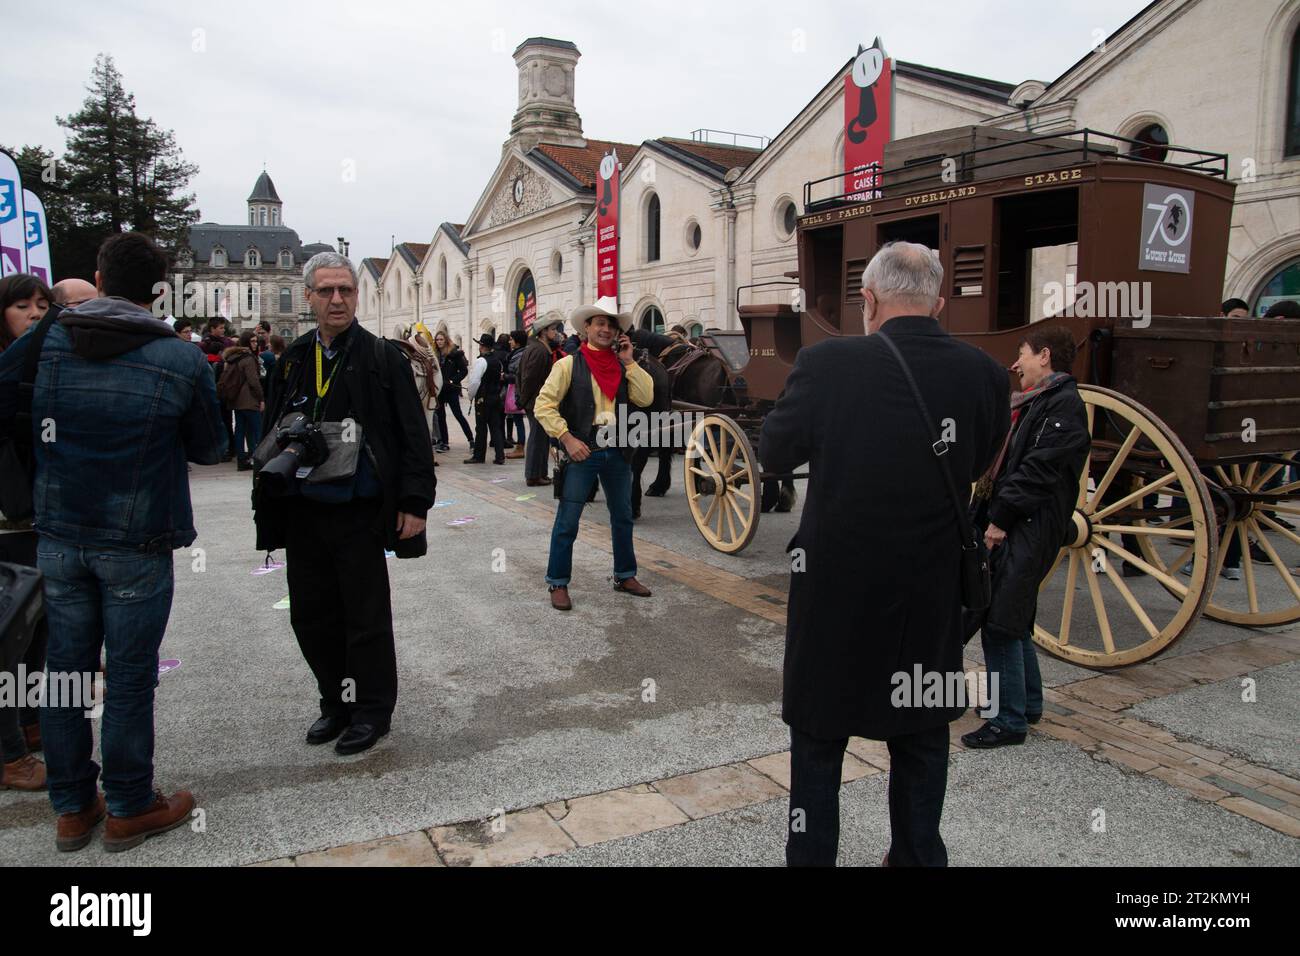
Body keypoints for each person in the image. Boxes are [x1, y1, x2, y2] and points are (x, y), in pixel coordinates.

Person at [758, 241, 1009, 867]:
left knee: (819, 743)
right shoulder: (984, 371)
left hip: (834, 591)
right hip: (928, 591)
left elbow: (773, 457)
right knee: (922, 742)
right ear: (939, 302)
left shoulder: (827, 363)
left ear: (867, 300)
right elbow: (977, 463)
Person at [0, 233, 227, 851]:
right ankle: (129, 804)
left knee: (65, 672)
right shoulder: (177, 357)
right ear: (158, 287)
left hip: (61, 531)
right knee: (128, 678)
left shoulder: (47, 343)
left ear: (98, 278)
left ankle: (73, 808)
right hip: (137, 536)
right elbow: (212, 447)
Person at [254, 251, 435, 756]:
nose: (337, 299)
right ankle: (335, 701)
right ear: (308, 295)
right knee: (311, 615)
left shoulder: (382, 357)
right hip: (303, 508)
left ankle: (372, 710)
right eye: (327, 291)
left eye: (346, 290)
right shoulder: (291, 359)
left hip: (358, 509)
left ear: (356, 295)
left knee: (365, 616)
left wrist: (415, 503)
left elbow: (413, 437)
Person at [962, 326, 1090, 749]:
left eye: (1023, 354)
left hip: (1029, 526)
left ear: (1046, 356)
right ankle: (1028, 702)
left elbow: (1035, 473)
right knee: (1013, 619)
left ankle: (1008, 720)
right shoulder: (1044, 402)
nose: (1016, 364)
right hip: (1026, 523)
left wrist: (998, 520)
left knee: (999, 623)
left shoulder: (1062, 407)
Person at [535, 297, 656, 611]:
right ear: (586, 327)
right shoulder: (567, 364)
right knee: (568, 520)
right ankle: (558, 582)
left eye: (611, 324)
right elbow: (542, 406)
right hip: (582, 449)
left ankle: (624, 575)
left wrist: (630, 362)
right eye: (600, 323)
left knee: (623, 517)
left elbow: (645, 398)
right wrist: (566, 438)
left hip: (617, 449)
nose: (606, 329)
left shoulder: (623, 365)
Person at [0, 273, 54, 793]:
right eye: (22, 305)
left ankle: (29, 722)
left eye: (43, 304)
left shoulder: (38, 373)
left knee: (38, 632)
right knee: (6, 640)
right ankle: (9, 755)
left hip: (37, 523)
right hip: (6, 527)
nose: (35, 314)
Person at [517, 317, 567, 487]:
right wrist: (523, 400)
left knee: (541, 438)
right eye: (552, 329)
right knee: (537, 439)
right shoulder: (538, 351)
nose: (556, 332)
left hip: (535, 400)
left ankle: (540, 473)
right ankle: (533, 475)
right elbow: (529, 378)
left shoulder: (538, 348)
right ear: (544, 332)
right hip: (536, 401)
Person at [222, 330, 266, 471]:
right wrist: (261, 398)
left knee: (240, 430)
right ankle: (259, 459)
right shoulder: (248, 358)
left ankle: (241, 459)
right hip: (249, 399)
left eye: (256, 341)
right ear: (247, 342)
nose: (255, 344)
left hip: (236, 399)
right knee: (257, 430)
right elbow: (253, 381)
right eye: (252, 341)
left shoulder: (233, 357)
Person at [464, 333, 506, 465]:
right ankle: (500, 456)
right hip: (495, 397)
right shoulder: (497, 361)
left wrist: (470, 395)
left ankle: (479, 455)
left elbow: (474, 382)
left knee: (481, 428)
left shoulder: (481, 361)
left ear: (481, 346)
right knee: (495, 427)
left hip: (483, 398)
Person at [433, 329, 472, 452]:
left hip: (451, 389)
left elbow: (464, 371)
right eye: (437, 340)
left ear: (446, 340)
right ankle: (444, 442)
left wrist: (452, 380)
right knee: (440, 417)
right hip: (440, 390)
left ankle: (471, 440)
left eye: (441, 339)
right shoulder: (435, 354)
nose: (439, 342)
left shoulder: (454, 353)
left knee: (458, 415)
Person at [504, 329, 528, 457]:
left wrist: (505, 376)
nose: (509, 341)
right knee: (517, 418)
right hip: (516, 388)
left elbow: (518, 375)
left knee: (518, 418)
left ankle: (520, 447)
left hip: (518, 389)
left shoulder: (520, 355)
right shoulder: (516, 353)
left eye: (511, 339)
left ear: (517, 341)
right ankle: (520, 446)